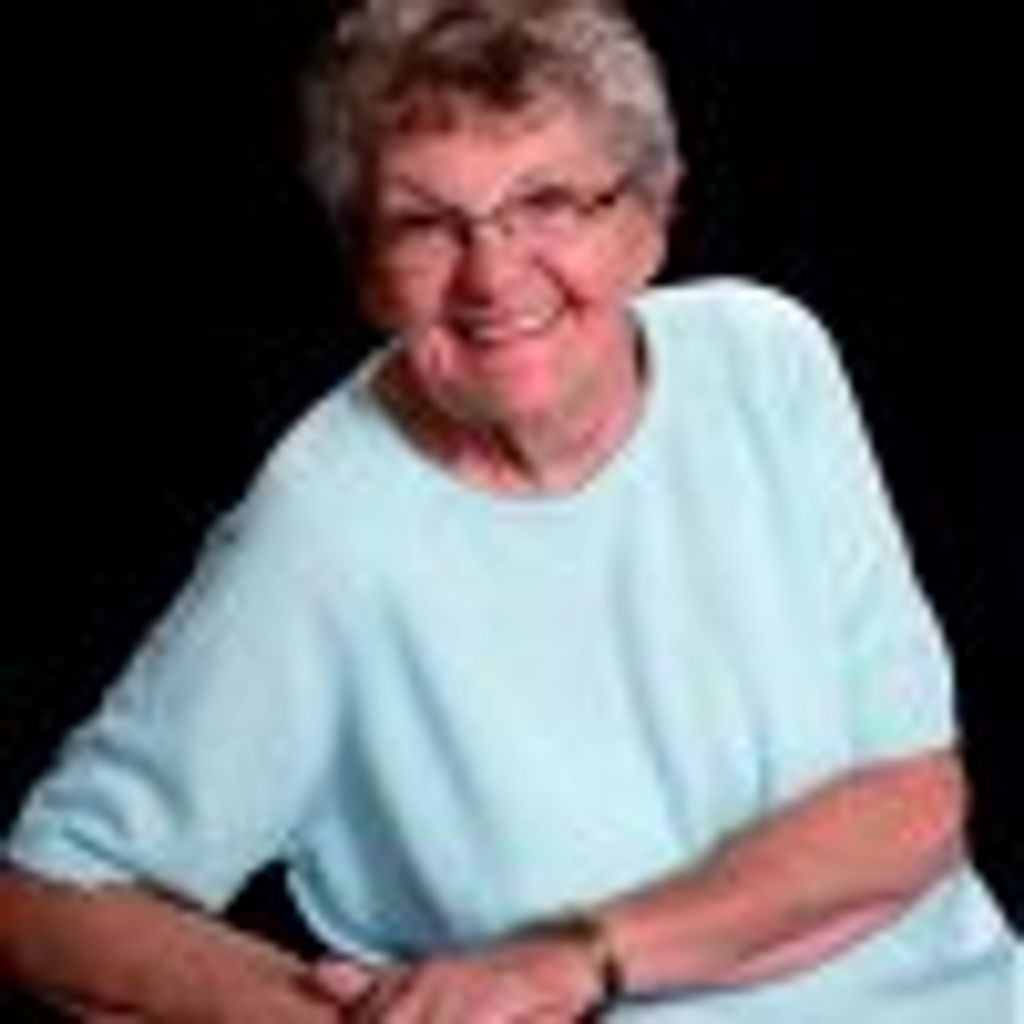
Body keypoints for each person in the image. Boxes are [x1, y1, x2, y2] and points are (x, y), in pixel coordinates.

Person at [1, 0, 1017, 1020]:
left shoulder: (765, 360)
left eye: (547, 202)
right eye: (424, 225)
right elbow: (46, 903)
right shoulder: (326, 525)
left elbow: (914, 806)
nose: (492, 275)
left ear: (651, 214)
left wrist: (575, 957)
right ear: (367, 271)